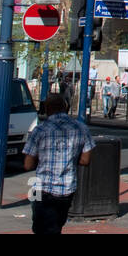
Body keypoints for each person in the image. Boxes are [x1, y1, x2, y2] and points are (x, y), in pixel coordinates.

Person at [22, 93, 95, 235]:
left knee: (40, 227)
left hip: (42, 187)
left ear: (47, 108)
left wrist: (42, 158)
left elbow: (28, 165)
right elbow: (85, 160)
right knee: (56, 225)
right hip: (67, 188)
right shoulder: (81, 128)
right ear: (65, 107)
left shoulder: (39, 130)